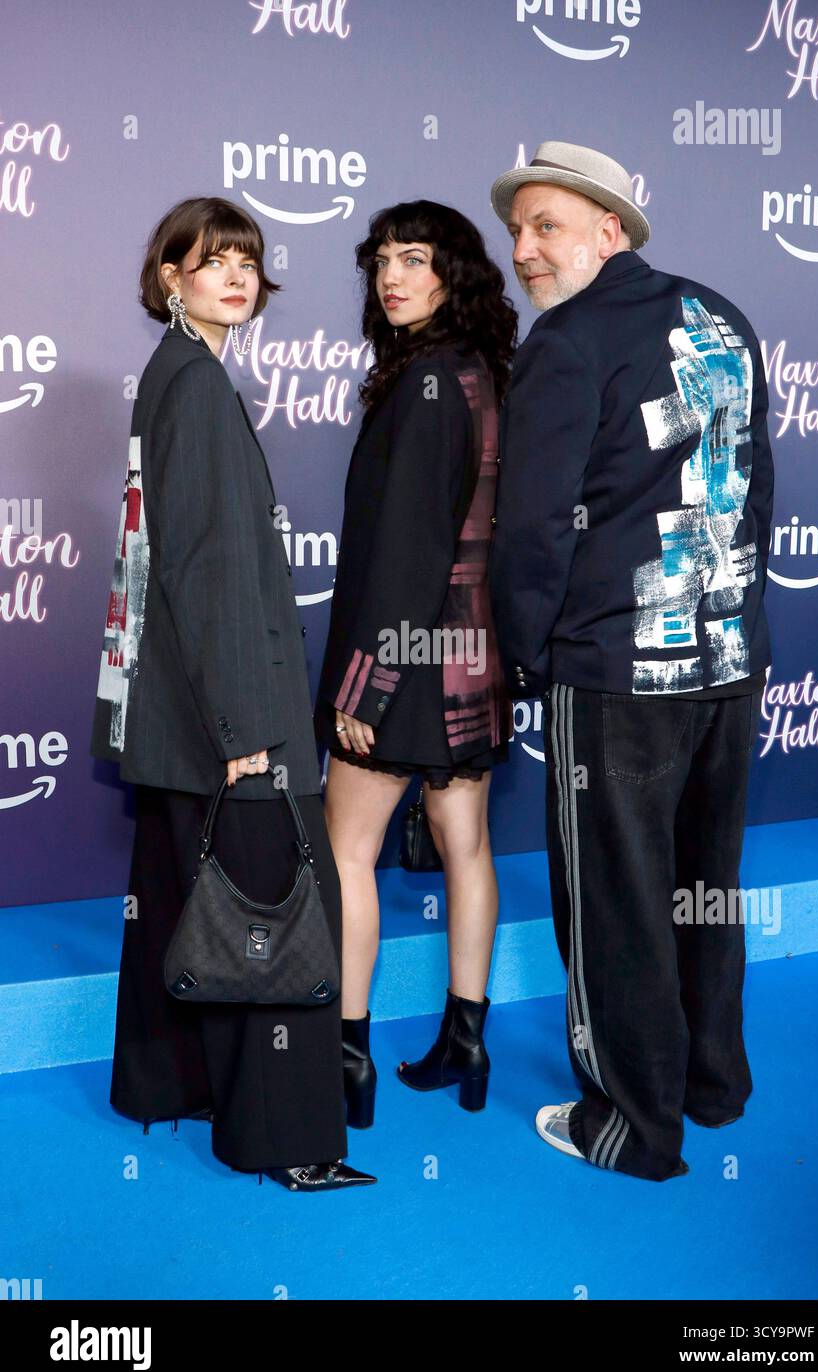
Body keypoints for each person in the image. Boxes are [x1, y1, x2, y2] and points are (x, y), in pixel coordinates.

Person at [488, 143, 774, 1182]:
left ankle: (630, 1126)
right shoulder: (722, 317)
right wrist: (732, 619)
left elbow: (531, 531)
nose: (523, 250)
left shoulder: (566, 339)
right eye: (516, 230)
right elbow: (757, 492)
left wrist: (525, 655)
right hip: (728, 658)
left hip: (614, 670)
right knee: (705, 880)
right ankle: (712, 1082)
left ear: (611, 229)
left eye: (547, 225)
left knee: (617, 896)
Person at [90, 195, 374, 1192]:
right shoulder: (197, 388)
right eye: (212, 261)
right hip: (230, 717)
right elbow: (205, 572)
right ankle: (284, 1141)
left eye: (248, 260)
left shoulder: (173, 376)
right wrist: (248, 729)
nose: (237, 276)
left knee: (175, 896)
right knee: (275, 915)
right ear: (170, 278)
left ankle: (165, 1084)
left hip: (174, 715)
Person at [314, 201, 518, 1127]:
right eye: (381, 261)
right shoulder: (479, 372)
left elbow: (405, 552)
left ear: (453, 274)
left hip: (407, 663)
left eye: (414, 259)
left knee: (346, 852)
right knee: (465, 845)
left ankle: (343, 1057)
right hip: (470, 659)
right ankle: (466, 1045)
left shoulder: (429, 381)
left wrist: (368, 682)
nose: (391, 277)